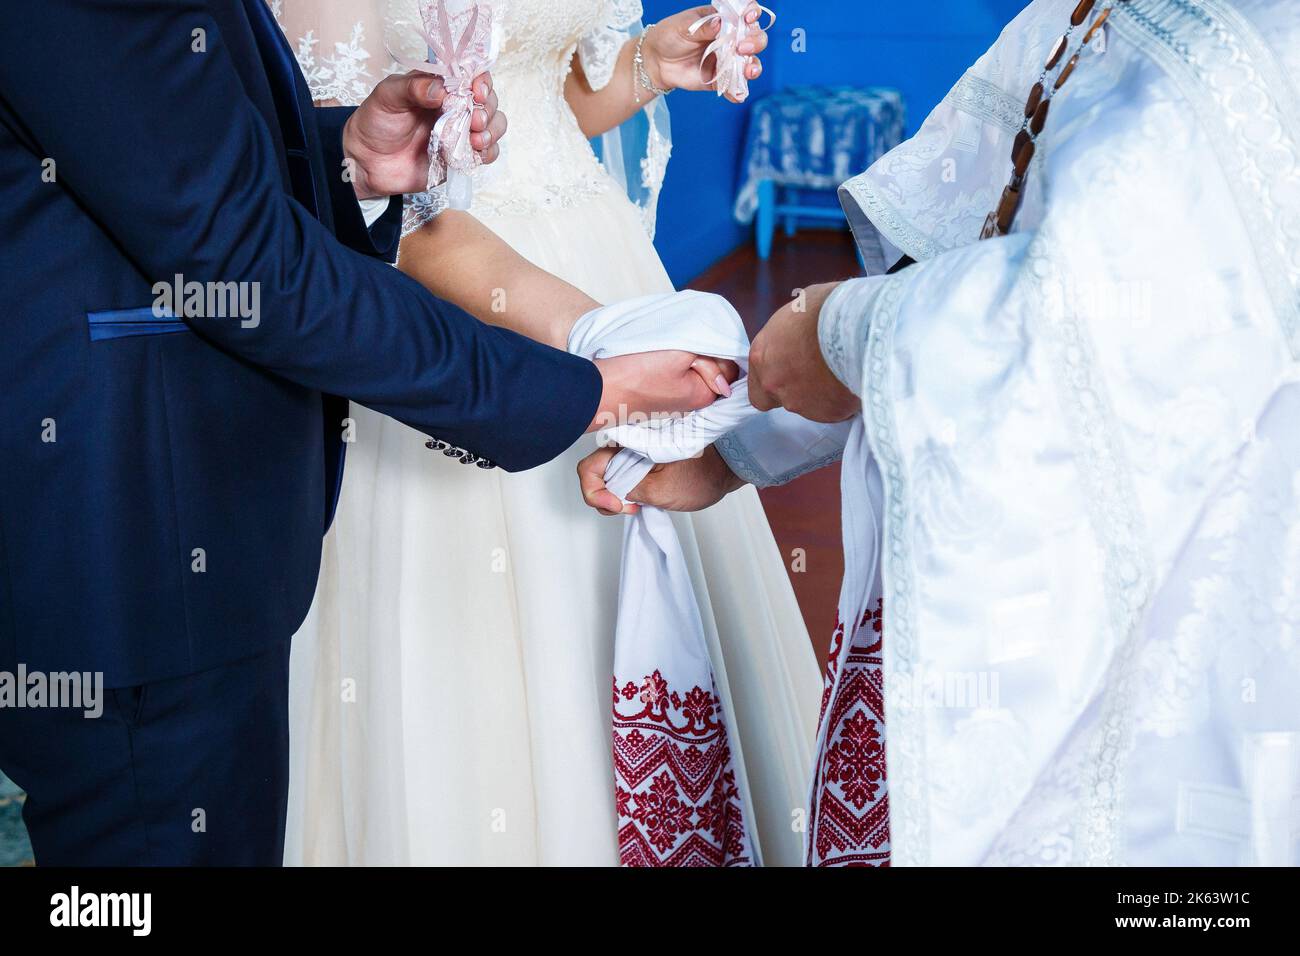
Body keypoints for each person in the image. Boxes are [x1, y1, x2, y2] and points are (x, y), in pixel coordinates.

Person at [0, 0, 719, 866]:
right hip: (127, 532)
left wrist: (344, 164)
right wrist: (577, 389)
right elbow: (242, 261)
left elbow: (148, 147)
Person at [583, 0, 1300, 866]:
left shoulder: (1252, 39)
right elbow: (972, 251)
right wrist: (744, 441)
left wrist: (837, 329)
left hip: (1135, 624)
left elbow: (1077, 323)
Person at [272, 0, 822, 866]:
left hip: (597, 261)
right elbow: (350, 194)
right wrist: (596, 340)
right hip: (464, 317)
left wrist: (646, 64)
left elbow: (540, 109)